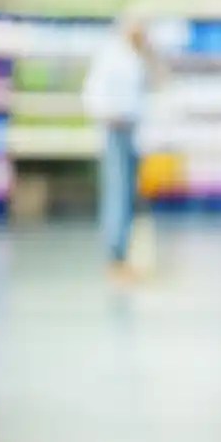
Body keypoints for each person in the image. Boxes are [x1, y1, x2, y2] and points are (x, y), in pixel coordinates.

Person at [81, 15, 149, 280]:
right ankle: (114, 256)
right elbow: (92, 94)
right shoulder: (110, 55)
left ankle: (124, 254)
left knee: (128, 195)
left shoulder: (136, 57)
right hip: (114, 131)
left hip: (132, 130)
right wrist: (109, 115)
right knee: (117, 194)